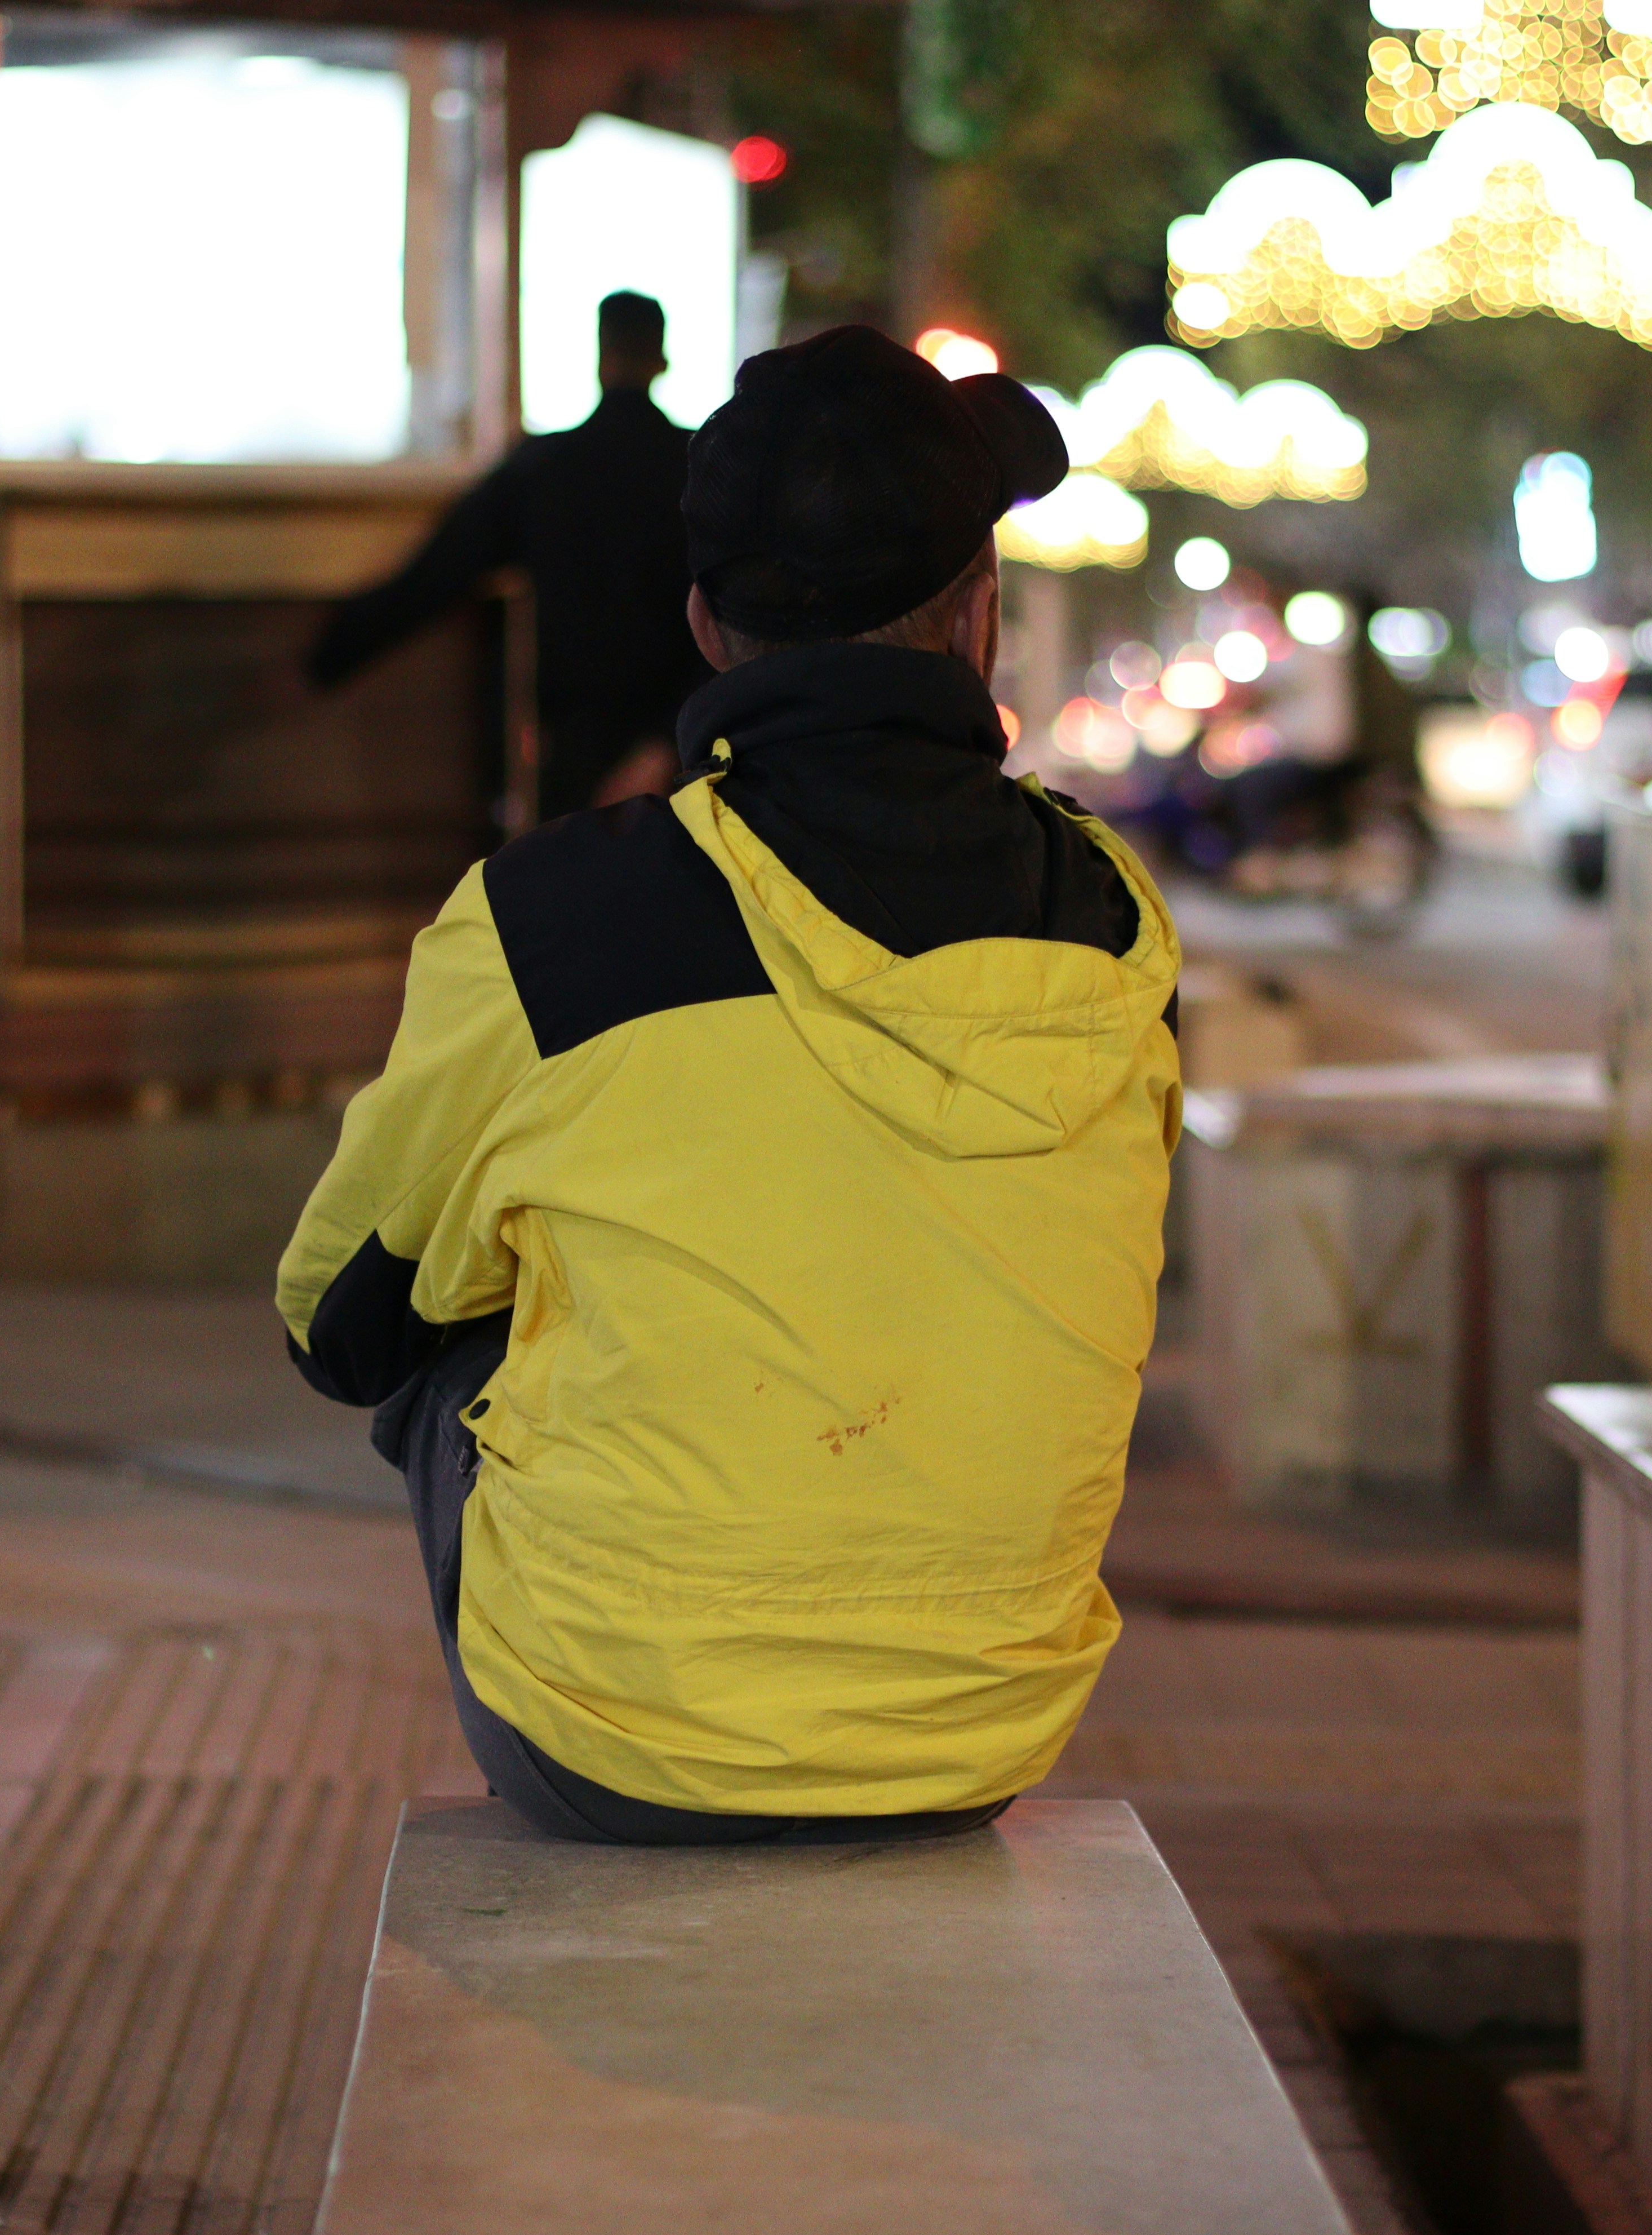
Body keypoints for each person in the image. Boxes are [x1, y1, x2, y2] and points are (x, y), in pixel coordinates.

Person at [273, 324, 1183, 1846]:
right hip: (982, 1736)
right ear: (983, 619)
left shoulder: (552, 919)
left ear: (704, 623)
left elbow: (336, 1325)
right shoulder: (1111, 917)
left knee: (455, 1324)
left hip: (613, 1742)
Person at [307, 291, 709, 821]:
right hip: (684, 745)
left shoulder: (546, 470)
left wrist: (319, 663)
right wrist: (664, 742)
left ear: (600, 357)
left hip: (566, 745)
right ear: (662, 361)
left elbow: (433, 576)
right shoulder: (702, 470)